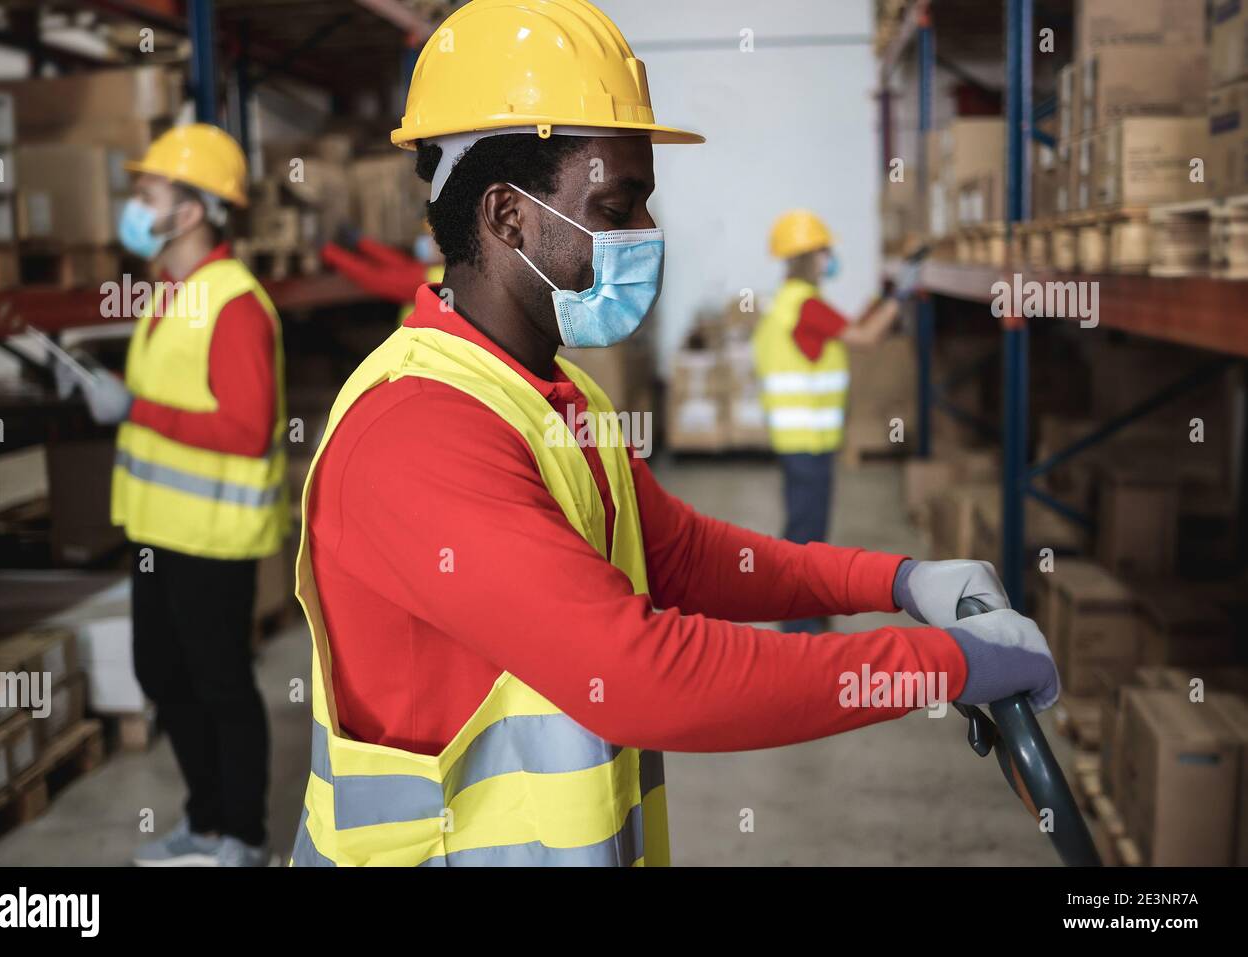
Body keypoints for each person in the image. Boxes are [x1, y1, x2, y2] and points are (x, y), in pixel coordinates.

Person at [289, 0, 1056, 868]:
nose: (645, 236)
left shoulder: (547, 393)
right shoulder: (417, 433)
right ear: (507, 217)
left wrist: (899, 578)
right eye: (615, 206)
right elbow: (634, 675)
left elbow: (683, 555)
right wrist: (938, 664)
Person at [76, 123, 287, 867]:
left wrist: (132, 407)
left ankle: (244, 836)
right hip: (157, 530)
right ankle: (203, 822)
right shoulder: (172, 291)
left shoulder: (231, 301)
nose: (133, 207)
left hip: (212, 536)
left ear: (191, 212)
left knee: (221, 683)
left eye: (147, 194)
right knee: (163, 674)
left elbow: (248, 427)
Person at [754, 210, 920, 633]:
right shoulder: (807, 305)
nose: (831, 257)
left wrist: (883, 297)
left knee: (806, 529)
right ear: (810, 257)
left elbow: (849, 327)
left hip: (799, 440)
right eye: (825, 251)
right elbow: (864, 338)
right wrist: (900, 298)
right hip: (807, 440)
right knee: (806, 535)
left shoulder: (793, 302)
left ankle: (808, 609)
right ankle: (799, 623)